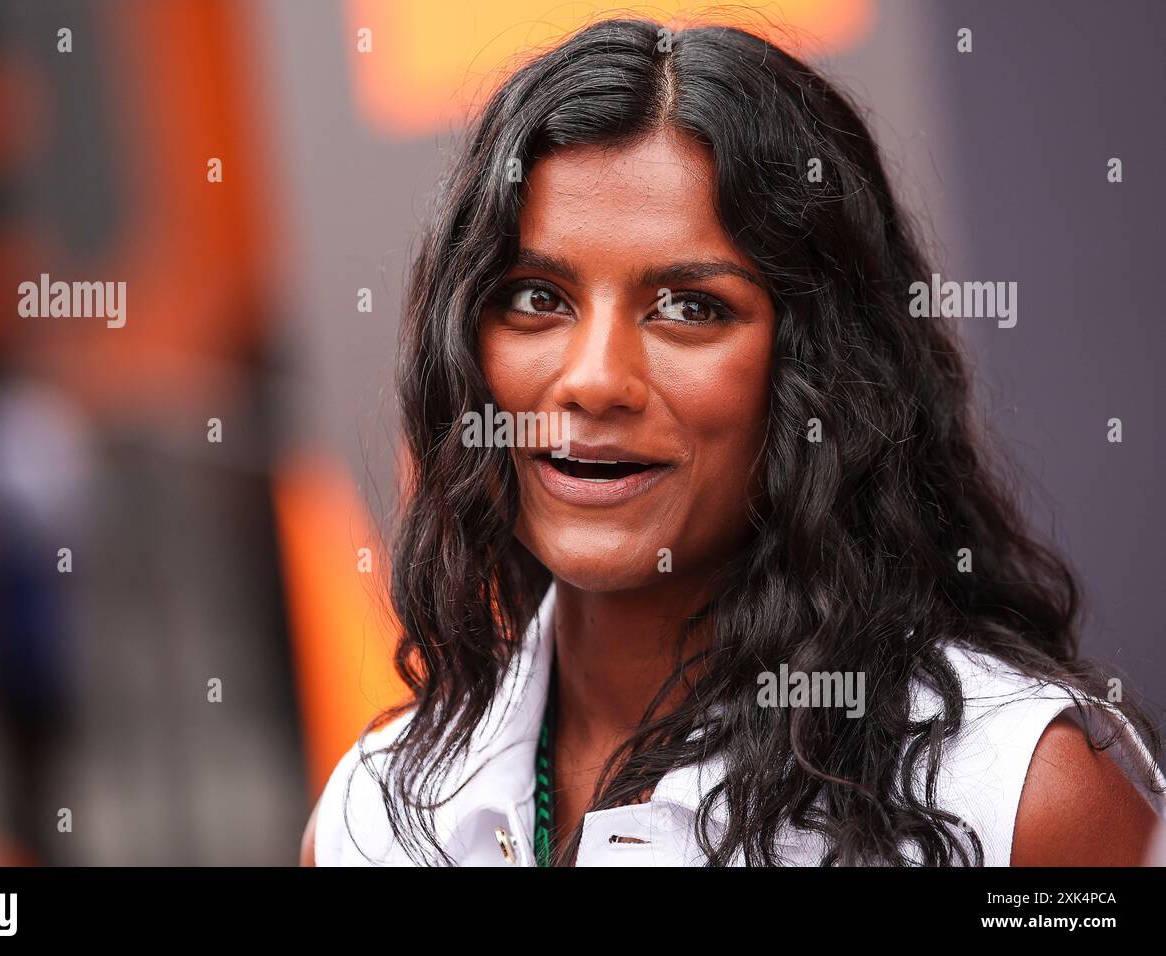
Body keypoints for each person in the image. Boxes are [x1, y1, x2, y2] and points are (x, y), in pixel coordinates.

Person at [301, 17, 1164, 866]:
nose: (595, 378)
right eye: (536, 297)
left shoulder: (1020, 801)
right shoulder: (368, 822)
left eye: (689, 308)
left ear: (820, 370)